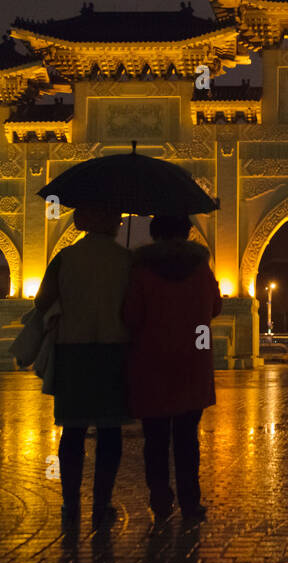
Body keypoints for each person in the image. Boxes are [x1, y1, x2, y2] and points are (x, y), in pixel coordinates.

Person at [35, 205, 132, 528]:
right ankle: (101, 504)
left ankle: (69, 503)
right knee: (109, 432)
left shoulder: (65, 258)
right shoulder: (126, 260)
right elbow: (136, 307)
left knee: (73, 432)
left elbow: (41, 301)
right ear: (110, 224)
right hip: (112, 352)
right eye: (116, 217)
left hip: (72, 352)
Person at [123, 214, 222, 522]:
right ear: (188, 233)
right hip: (193, 362)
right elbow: (216, 306)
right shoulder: (201, 270)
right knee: (187, 439)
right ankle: (191, 503)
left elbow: (131, 315)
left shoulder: (141, 270)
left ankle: (160, 498)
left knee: (154, 439)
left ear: (154, 234)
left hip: (152, 363)